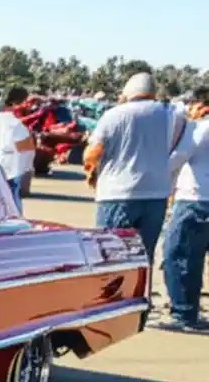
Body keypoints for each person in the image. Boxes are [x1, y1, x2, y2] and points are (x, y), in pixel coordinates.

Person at [83, 72, 173, 262]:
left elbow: (93, 153)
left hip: (117, 194)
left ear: (127, 92)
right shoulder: (169, 114)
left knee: (111, 256)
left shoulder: (113, 115)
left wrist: (91, 172)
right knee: (144, 257)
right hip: (156, 195)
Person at [160, 88, 209, 332]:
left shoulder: (200, 128)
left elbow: (177, 158)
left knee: (180, 256)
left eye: (191, 105)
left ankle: (184, 314)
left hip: (195, 199)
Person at [0, 86, 37, 213]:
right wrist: (28, 168)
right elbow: (25, 148)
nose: (28, 106)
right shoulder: (15, 124)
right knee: (13, 202)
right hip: (13, 170)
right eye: (25, 101)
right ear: (16, 103)